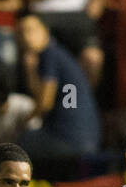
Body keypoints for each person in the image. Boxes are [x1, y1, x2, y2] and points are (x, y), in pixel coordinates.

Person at [17, 12, 100, 158]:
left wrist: (22, 123)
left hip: (67, 139)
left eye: (31, 30)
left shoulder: (49, 55)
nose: (26, 37)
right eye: (20, 32)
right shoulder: (60, 54)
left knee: (16, 147)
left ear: (45, 31)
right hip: (89, 139)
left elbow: (44, 104)